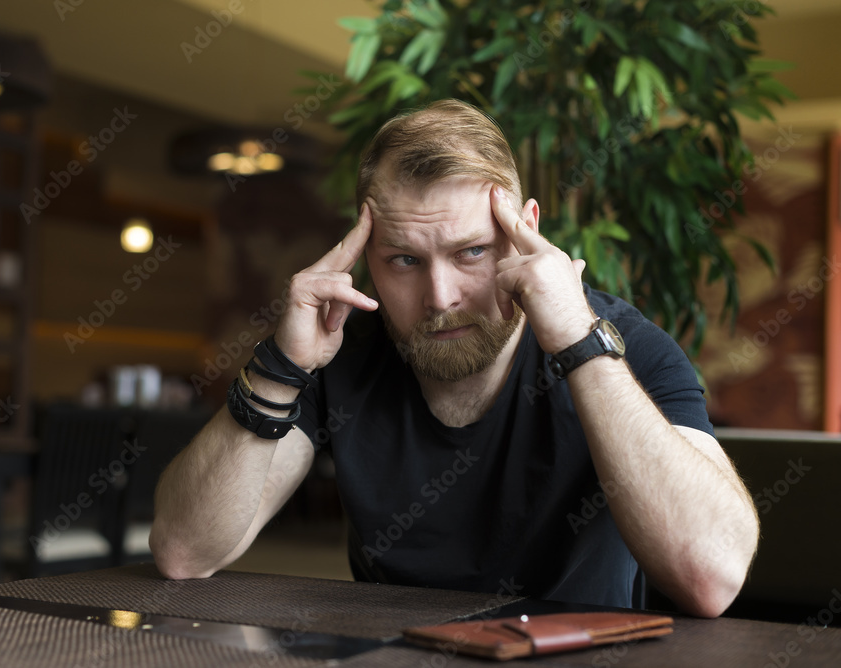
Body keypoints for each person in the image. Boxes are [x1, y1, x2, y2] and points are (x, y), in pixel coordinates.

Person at [150, 99, 758, 617]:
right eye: (404, 261)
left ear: (527, 231)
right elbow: (185, 551)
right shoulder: (337, 351)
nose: (440, 298)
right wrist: (280, 366)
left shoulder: (626, 349)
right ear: (366, 256)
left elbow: (711, 577)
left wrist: (578, 340)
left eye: (472, 252)